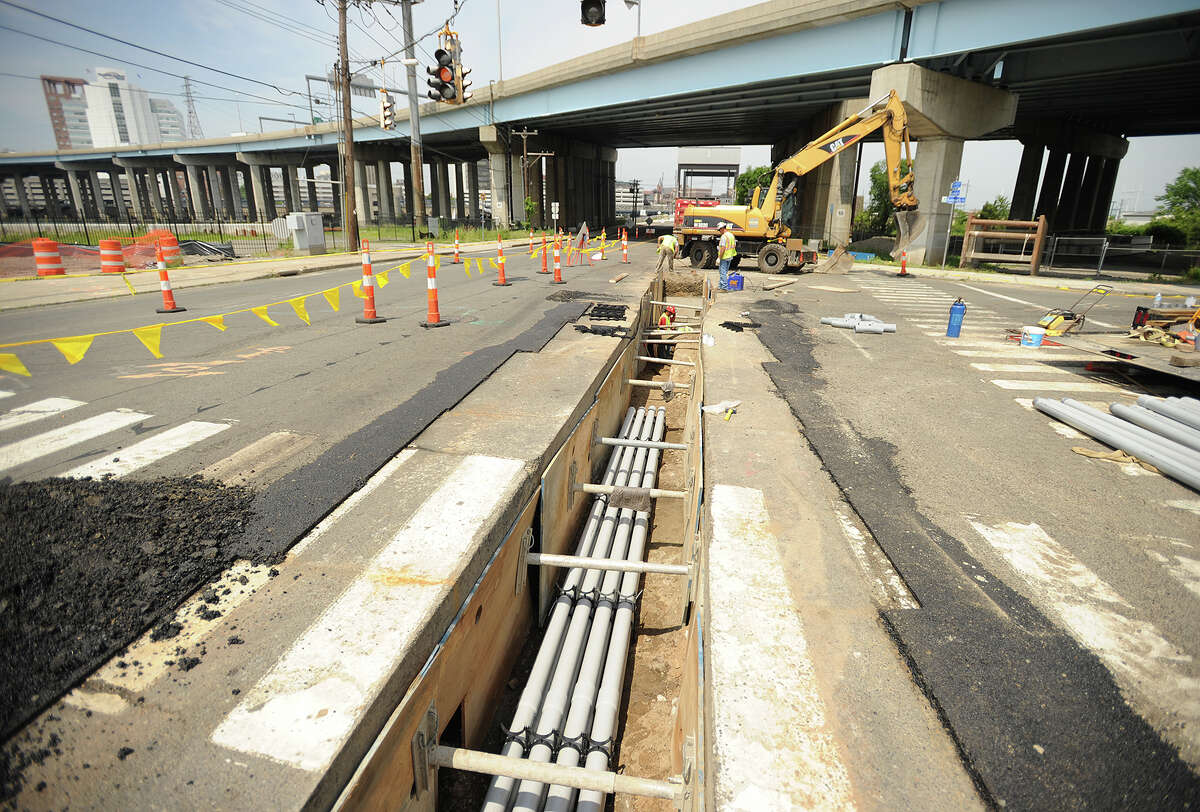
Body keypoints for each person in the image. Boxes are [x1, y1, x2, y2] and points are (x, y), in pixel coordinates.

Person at [716, 223, 737, 291]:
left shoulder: (724, 236)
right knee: (724, 272)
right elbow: (734, 245)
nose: (719, 231)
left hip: (724, 257)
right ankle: (720, 286)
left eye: (719, 230)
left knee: (722, 272)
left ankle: (724, 287)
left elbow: (723, 248)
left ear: (722, 228)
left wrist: (719, 258)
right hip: (730, 256)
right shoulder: (731, 235)